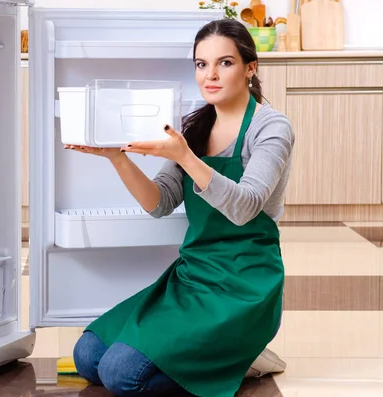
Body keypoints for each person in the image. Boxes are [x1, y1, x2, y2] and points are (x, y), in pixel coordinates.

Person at [65, 18, 295, 397]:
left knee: (122, 375)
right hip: (194, 275)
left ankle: (241, 355)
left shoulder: (271, 128)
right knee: (88, 354)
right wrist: (116, 158)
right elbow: (158, 203)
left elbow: (246, 207)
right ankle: (229, 355)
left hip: (244, 284)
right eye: (201, 64)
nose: (211, 75)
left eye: (225, 63)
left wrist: (187, 157)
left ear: (250, 68)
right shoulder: (193, 127)